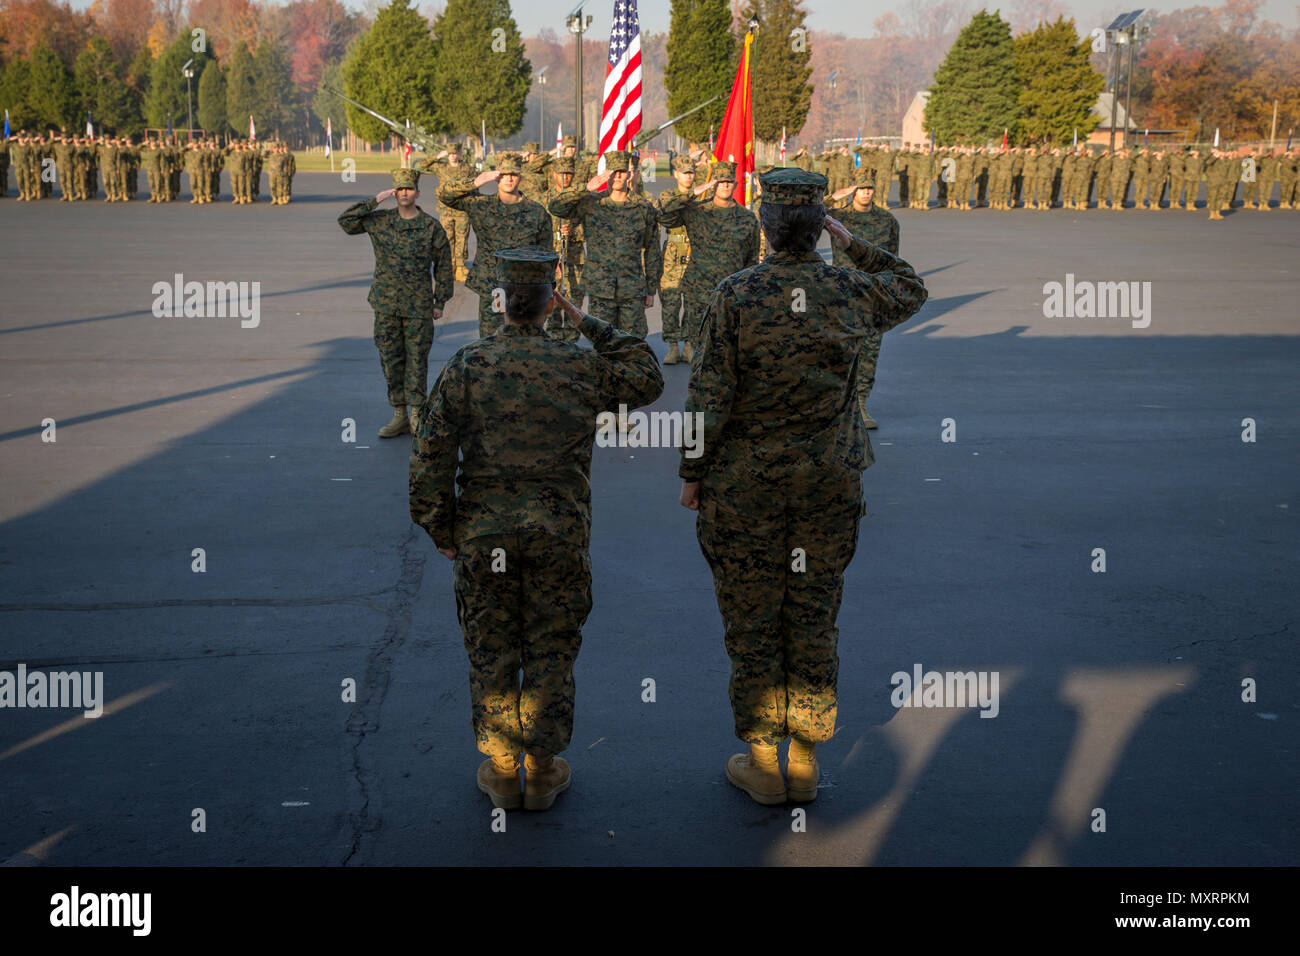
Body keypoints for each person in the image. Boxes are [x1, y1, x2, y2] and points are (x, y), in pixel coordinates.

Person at [679, 168, 927, 806]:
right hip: (826, 480)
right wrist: (852, 242)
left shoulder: (736, 293)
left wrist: (692, 472)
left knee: (752, 617)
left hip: (746, 485)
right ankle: (806, 758)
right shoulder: (850, 290)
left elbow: (709, 395)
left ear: (763, 224)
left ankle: (764, 761)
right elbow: (909, 287)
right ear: (822, 225)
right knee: (815, 612)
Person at [409, 245, 663, 811]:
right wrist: (584, 318)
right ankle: (543, 768)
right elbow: (646, 375)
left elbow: (429, 455)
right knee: (551, 647)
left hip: (484, 533)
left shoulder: (469, 365)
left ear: (500, 302)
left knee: (492, 646)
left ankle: (502, 770)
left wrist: (440, 526)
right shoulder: (578, 364)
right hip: (558, 532)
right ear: (550, 304)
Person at [338, 167, 454, 438]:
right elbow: (346, 221)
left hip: (418, 305)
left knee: (417, 360)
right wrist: (374, 200)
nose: (404, 193)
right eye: (399, 189)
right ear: (394, 192)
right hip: (386, 304)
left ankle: (416, 413)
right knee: (391, 359)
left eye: (409, 189)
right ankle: (399, 413)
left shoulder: (430, 226)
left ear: (417, 192)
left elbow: (444, 265)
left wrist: (440, 301)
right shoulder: (380, 221)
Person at [547, 149, 661, 338]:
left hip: (632, 288)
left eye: (621, 172)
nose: (617, 177)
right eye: (612, 172)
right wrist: (586, 188)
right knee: (602, 340)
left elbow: (652, 250)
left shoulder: (643, 208)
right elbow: (556, 207)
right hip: (600, 288)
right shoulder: (591, 203)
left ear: (629, 175)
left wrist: (650, 289)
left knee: (632, 341)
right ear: (605, 173)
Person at [437, 152, 552, 338]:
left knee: (524, 343)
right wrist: (475, 182)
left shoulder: (536, 212)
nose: (509, 179)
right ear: (496, 176)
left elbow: (546, 255)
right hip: (493, 288)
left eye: (513, 174)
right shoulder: (481, 205)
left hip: (525, 290)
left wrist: (544, 293)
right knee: (491, 342)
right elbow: (444, 195)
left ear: (520, 177)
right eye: (504, 174)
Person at [655, 159, 759, 365]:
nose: (725, 185)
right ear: (713, 184)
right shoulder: (697, 211)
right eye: (720, 181)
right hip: (699, 290)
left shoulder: (747, 219)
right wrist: (692, 193)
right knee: (699, 351)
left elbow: (752, 259)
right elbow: (663, 214)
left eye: (729, 181)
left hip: (730, 292)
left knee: (727, 349)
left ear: (736, 184)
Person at [827, 168, 899, 429]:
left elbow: (893, 261)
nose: (866, 192)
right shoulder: (837, 216)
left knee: (868, 354)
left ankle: (860, 405)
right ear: (853, 189)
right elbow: (810, 210)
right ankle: (836, 406)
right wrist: (834, 197)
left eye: (870, 188)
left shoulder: (887, 221)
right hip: (842, 297)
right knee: (840, 353)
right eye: (861, 187)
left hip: (872, 297)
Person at [656, 155, 697, 364]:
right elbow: (666, 209)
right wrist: (690, 196)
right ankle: (672, 346)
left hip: (694, 258)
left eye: (691, 173)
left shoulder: (701, 197)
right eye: (684, 173)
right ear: (676, 174)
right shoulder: (668, 195)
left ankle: (689, 345)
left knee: (692, 304)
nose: (688, 177)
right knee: (670, 305)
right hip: (672, 258)